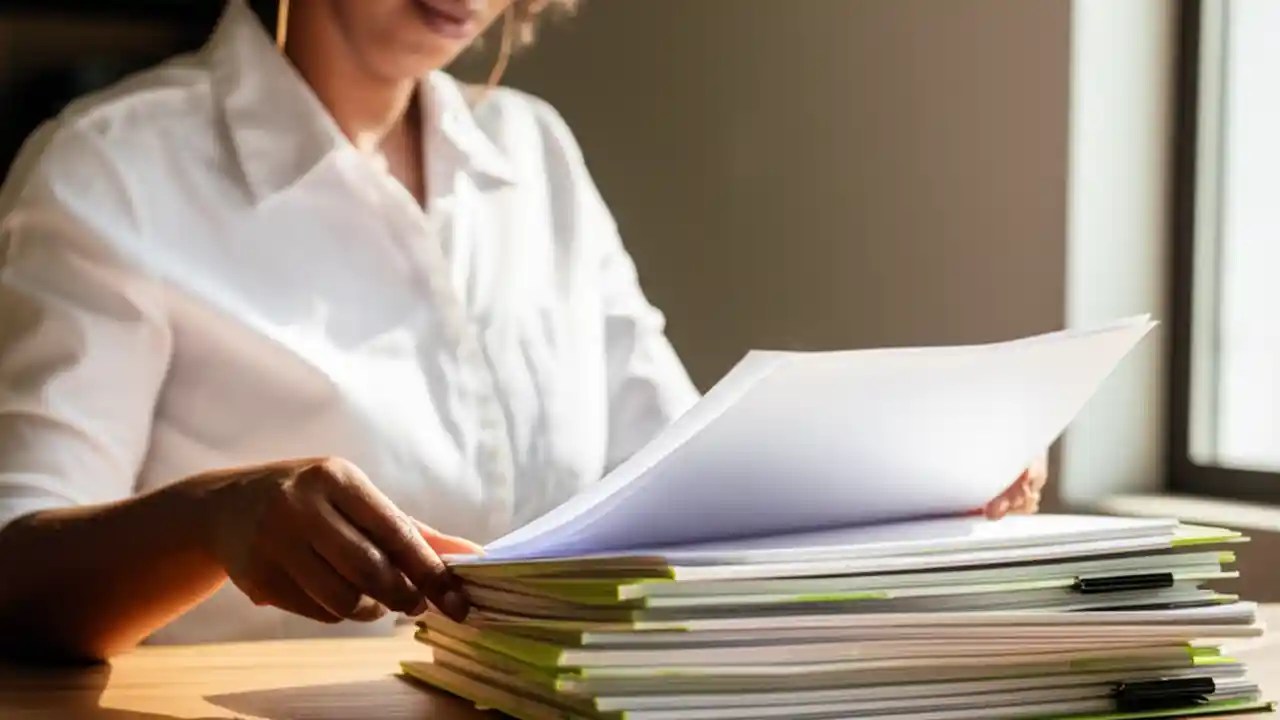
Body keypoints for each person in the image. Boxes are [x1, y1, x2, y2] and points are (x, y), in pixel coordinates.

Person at [0, 0, 1047, 660]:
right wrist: (213, 517)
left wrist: (904, 487)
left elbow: (683, 476)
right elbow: (18, 577)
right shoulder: (109, 169)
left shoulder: (530, 153)